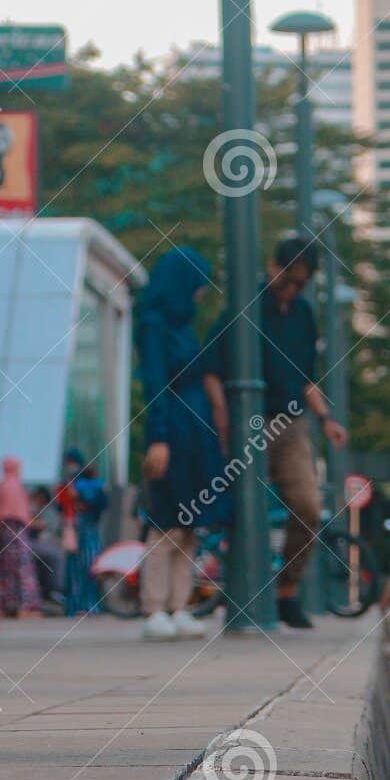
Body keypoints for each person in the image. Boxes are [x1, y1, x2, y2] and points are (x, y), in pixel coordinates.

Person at [206, 235, 348, 630]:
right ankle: (235, 588)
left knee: (306, 505)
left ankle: (286, 591)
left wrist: (327, 420)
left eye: (300, 283)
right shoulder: (247, 304)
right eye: (287, 279)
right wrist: (221, 417)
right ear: (273, 267)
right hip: (249, 421)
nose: (290, 289)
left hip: (292, 423)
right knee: (243, 508)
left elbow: (306, 378)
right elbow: (212, 367)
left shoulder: (303, 315)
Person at [136, 247, 229, 640]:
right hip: (172, 427)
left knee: (188, 524)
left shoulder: (181, 325)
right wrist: (158, 437)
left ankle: (178, 605)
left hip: (193, 432)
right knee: (166, 522)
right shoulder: (154, 324)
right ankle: (154, 607)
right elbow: (154, 383)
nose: (201, 293)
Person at [0, 457, 42, 618]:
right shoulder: (16, 485)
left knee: (2, 572)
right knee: (23, 570)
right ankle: (25, 607)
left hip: (3, 533)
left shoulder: (0, 486)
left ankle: (3, 606)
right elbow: (23, 514)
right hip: (17, 534)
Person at [57, 449, 107, 616]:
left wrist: (77, 495)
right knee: (75, 570)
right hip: (76, 534)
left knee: (88, 568)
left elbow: (98, 505)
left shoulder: (90, 485)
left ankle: (89, 605)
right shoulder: (68, 483)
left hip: (87, 533)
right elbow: (60, 506)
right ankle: (76, 605)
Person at [28, 485, 65, 606]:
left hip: (47, 544)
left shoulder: (48, 511)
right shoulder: (38, 510)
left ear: (41, 497)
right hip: (40, 545)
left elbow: (40, 526)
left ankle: (54, 590)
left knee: (53, 557)